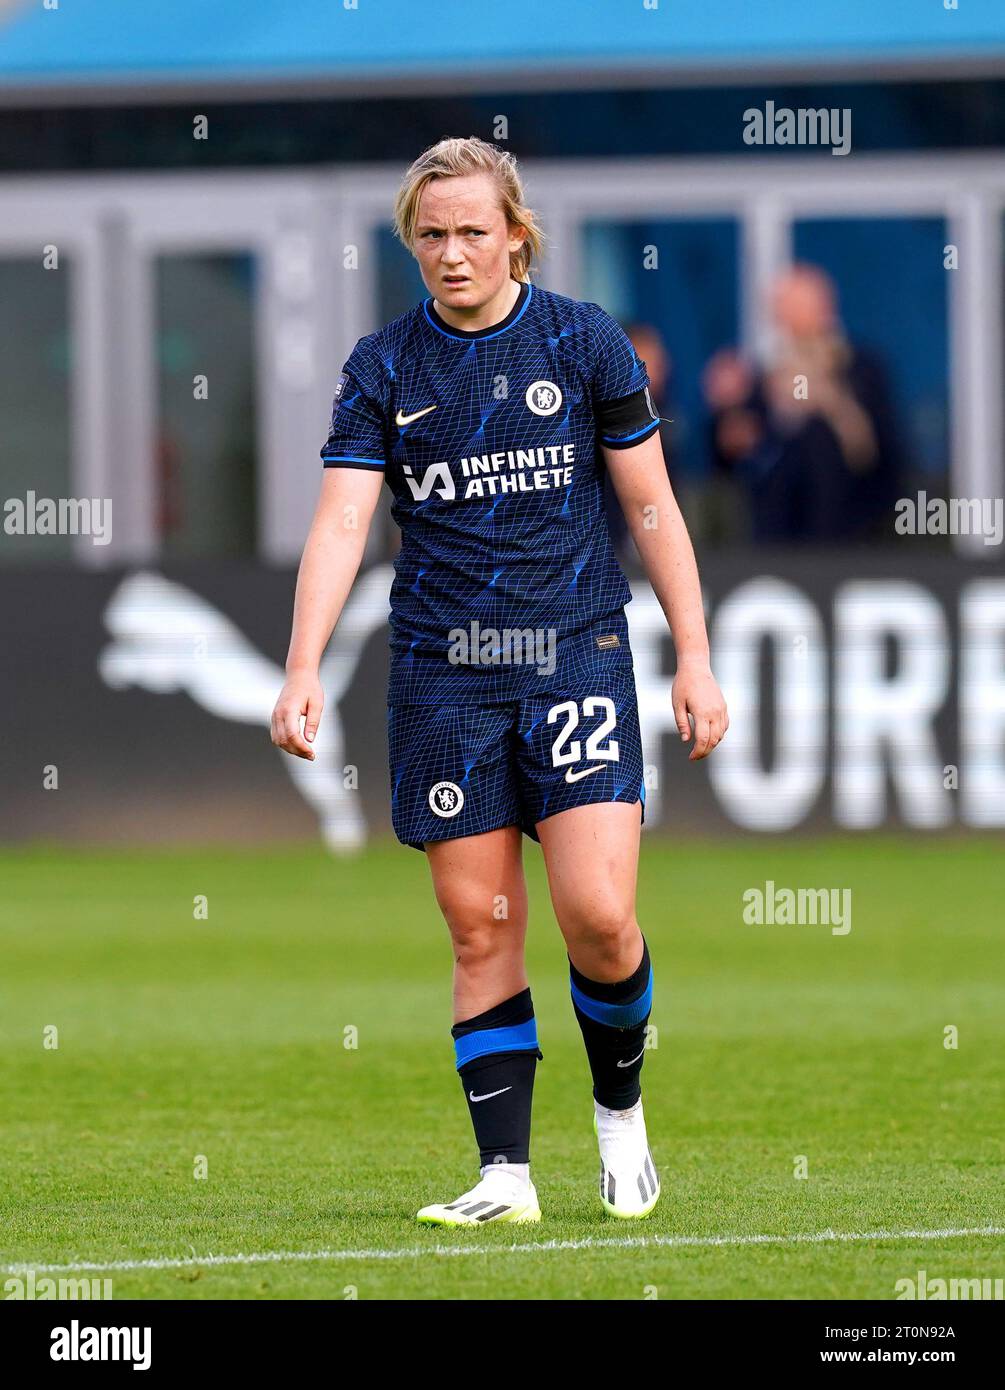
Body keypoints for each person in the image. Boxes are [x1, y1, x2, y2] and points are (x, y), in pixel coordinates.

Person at [270, 137, 727, 1226]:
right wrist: (300, 667)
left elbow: (654, 508)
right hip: (442, 678)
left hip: (576, 653)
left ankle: (620, 1118)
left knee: (602, 916)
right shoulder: (383, 366)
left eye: (473, 230)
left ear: (516, 233)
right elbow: (342, 524)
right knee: (481, 928)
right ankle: (506, 1178)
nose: (451, 253)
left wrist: (696, 652)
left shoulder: (582, 341)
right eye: (430, 234)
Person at [704, 264, 904, 541]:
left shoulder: (861, 369)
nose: (782, 317)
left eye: (791, 306)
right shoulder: (766, 378)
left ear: (823, 307)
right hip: (780, 539)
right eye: (780, 307)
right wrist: (726, 412)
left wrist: (831, 406)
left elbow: (883, 451)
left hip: (852, 535)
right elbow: (733, 451)